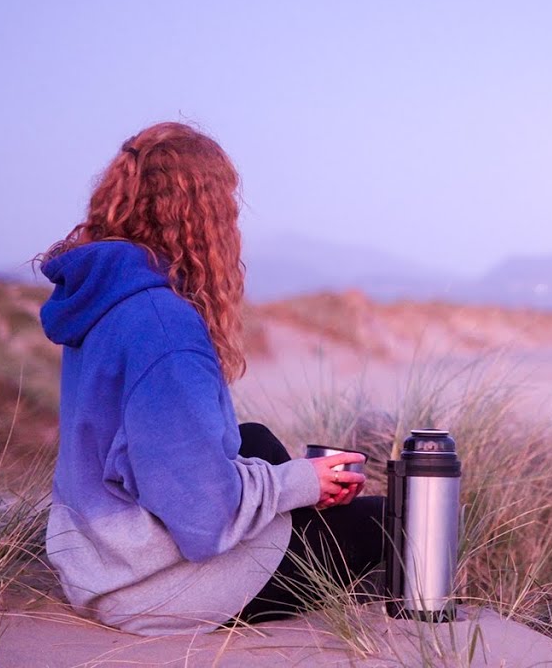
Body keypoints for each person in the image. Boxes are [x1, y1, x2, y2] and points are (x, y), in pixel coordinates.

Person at [38, 122, 384, 635]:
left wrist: (296, 488)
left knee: (257, 440)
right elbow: (204, 521)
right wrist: (302, 482)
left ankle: (307, 526)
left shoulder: (106, 297)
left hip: (96, 556)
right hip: (149, 589)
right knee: (384, 523)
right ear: (203, 216)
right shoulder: (164, 330)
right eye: (228, 205)